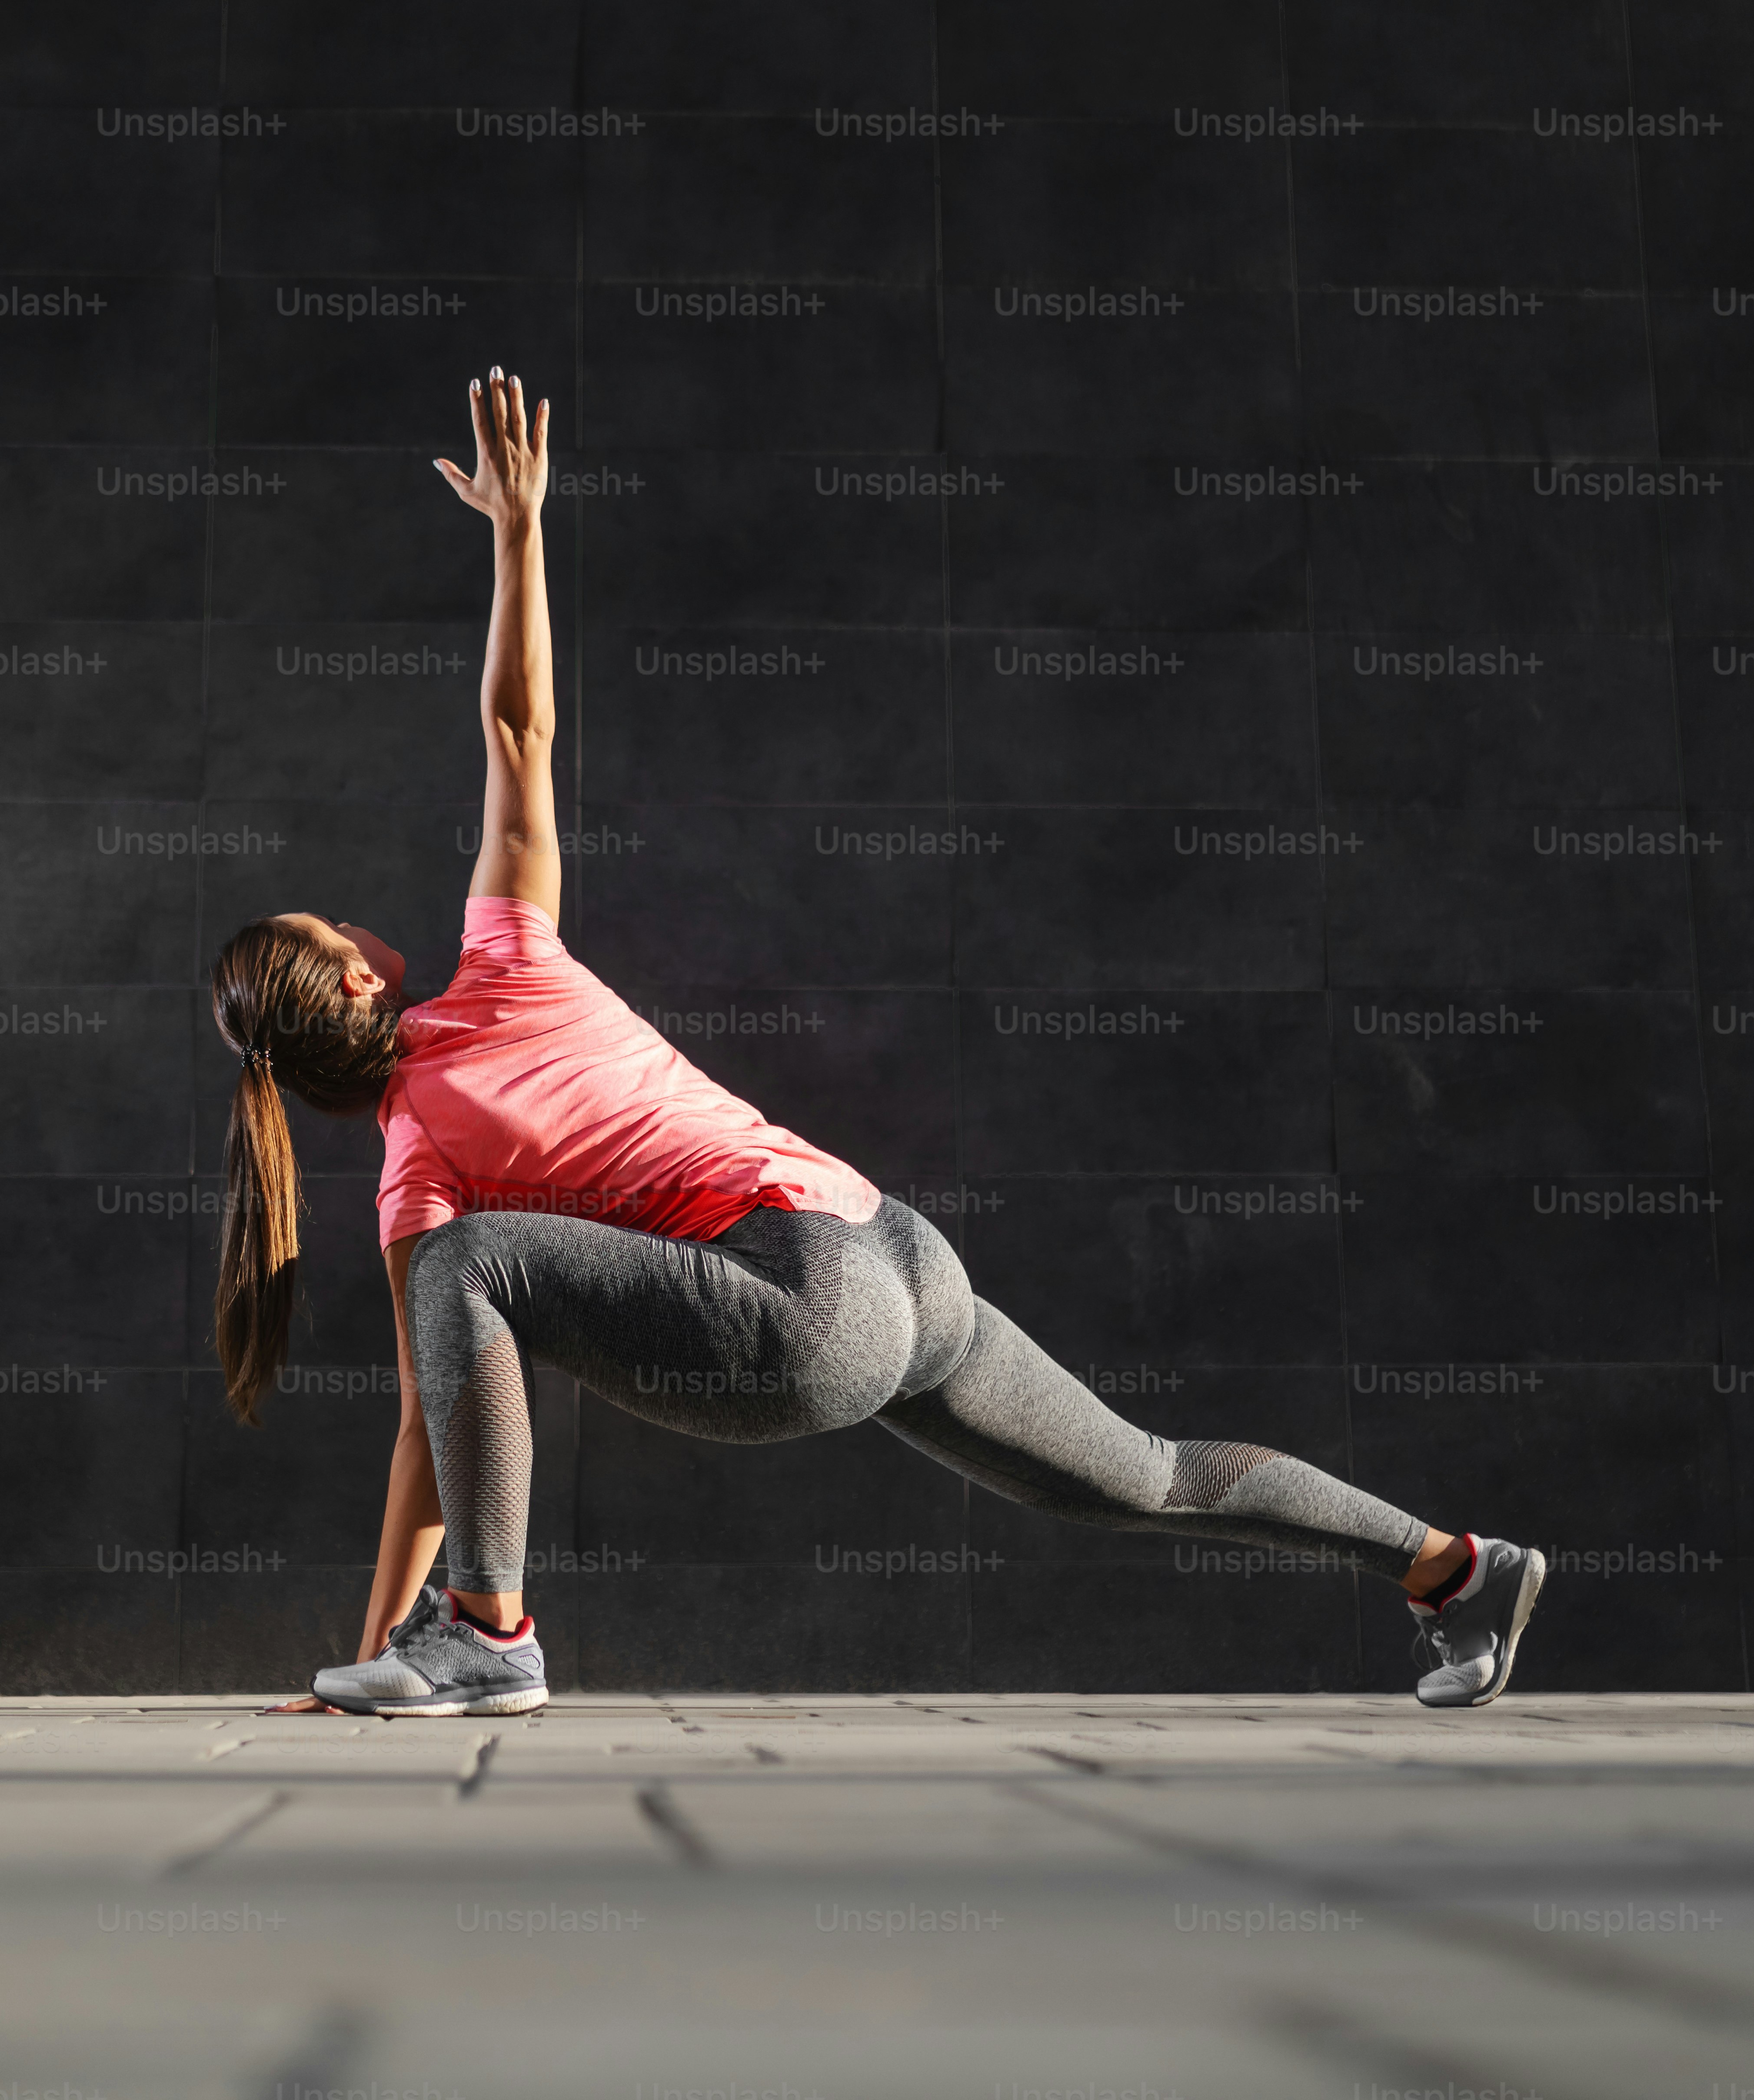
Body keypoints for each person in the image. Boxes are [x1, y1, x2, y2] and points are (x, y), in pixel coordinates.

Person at [206, 369, 1543, 1718]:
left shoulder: (416, 1176)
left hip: (817, 1301)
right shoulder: (505, 966)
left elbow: (428, 1442)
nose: (351, 915)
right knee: (1150, 1473)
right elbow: (520, 731)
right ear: (356, 979)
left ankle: (486, 1635)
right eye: (330, 920)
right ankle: (1451, 1569)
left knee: (466, 1268)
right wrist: (519, 530)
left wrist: (373, 1652)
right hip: (895, 1257)